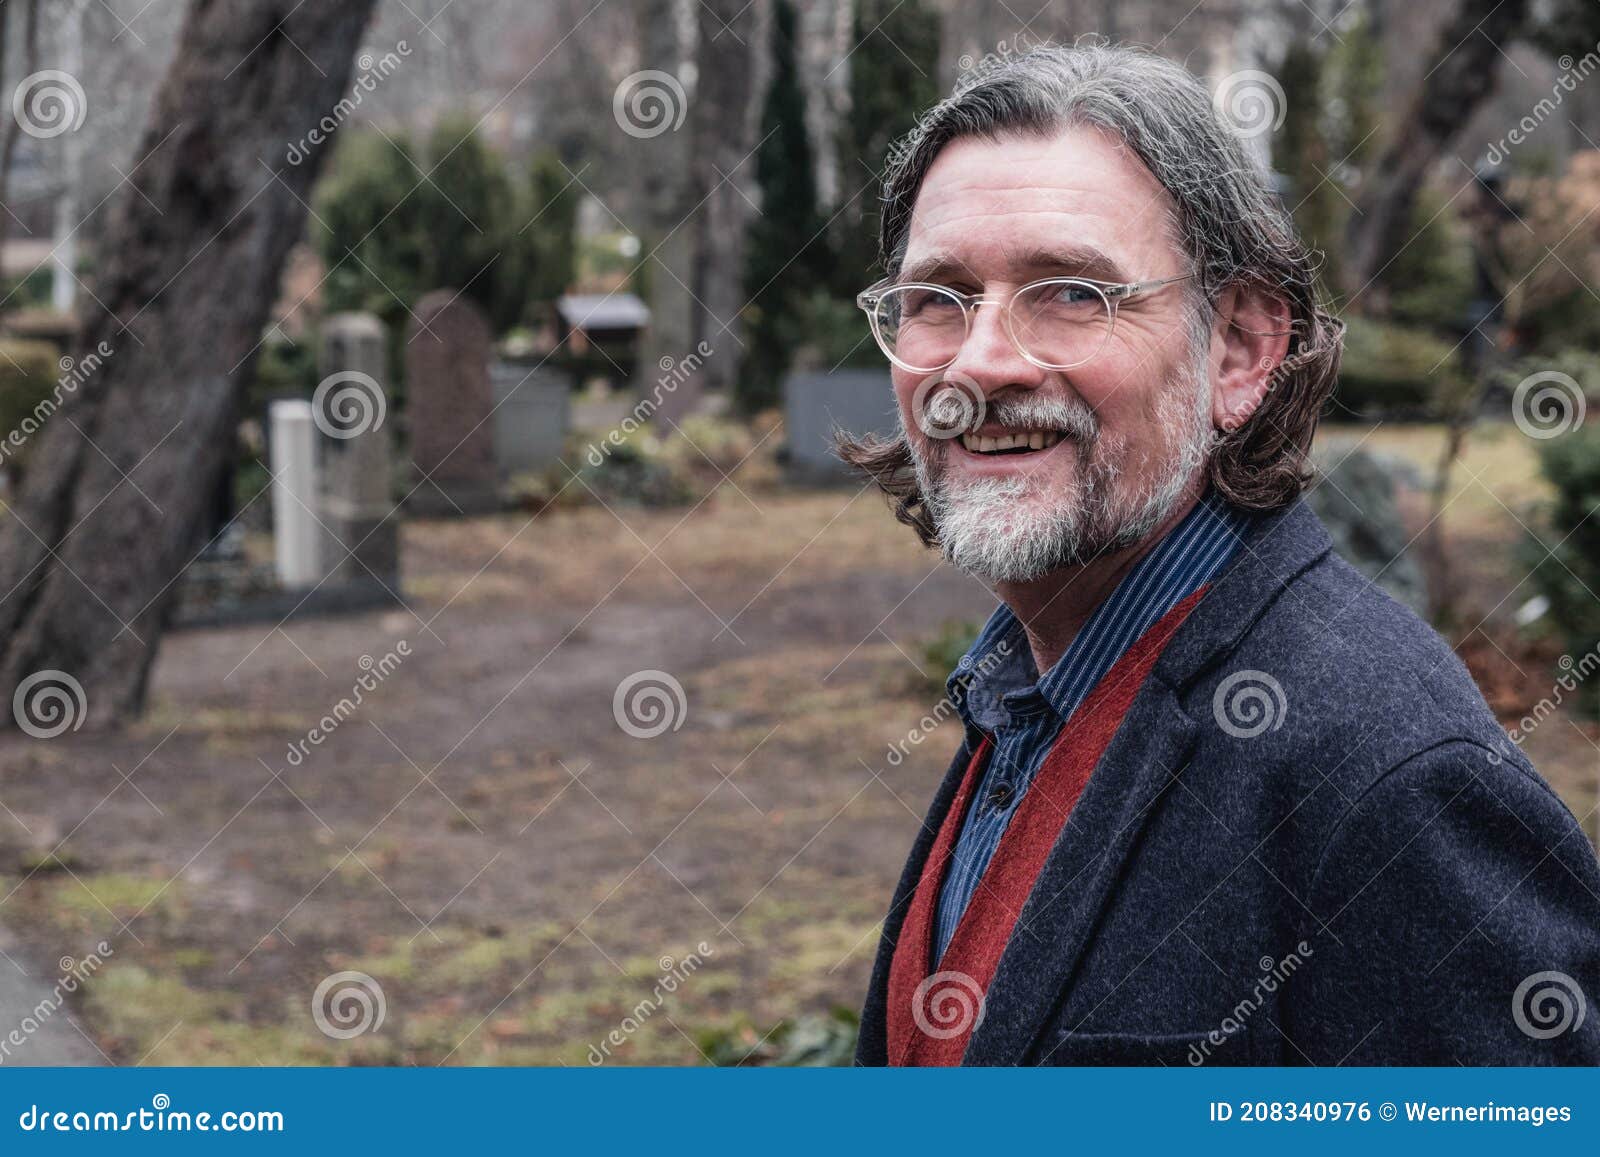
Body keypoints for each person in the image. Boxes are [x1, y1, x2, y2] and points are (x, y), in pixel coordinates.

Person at [839, 42, 1600, 1066]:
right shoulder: (1023, 682)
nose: (979, 361)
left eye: (1070, 292)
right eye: (937, 296)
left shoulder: (1387, 780)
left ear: (1238, 348)